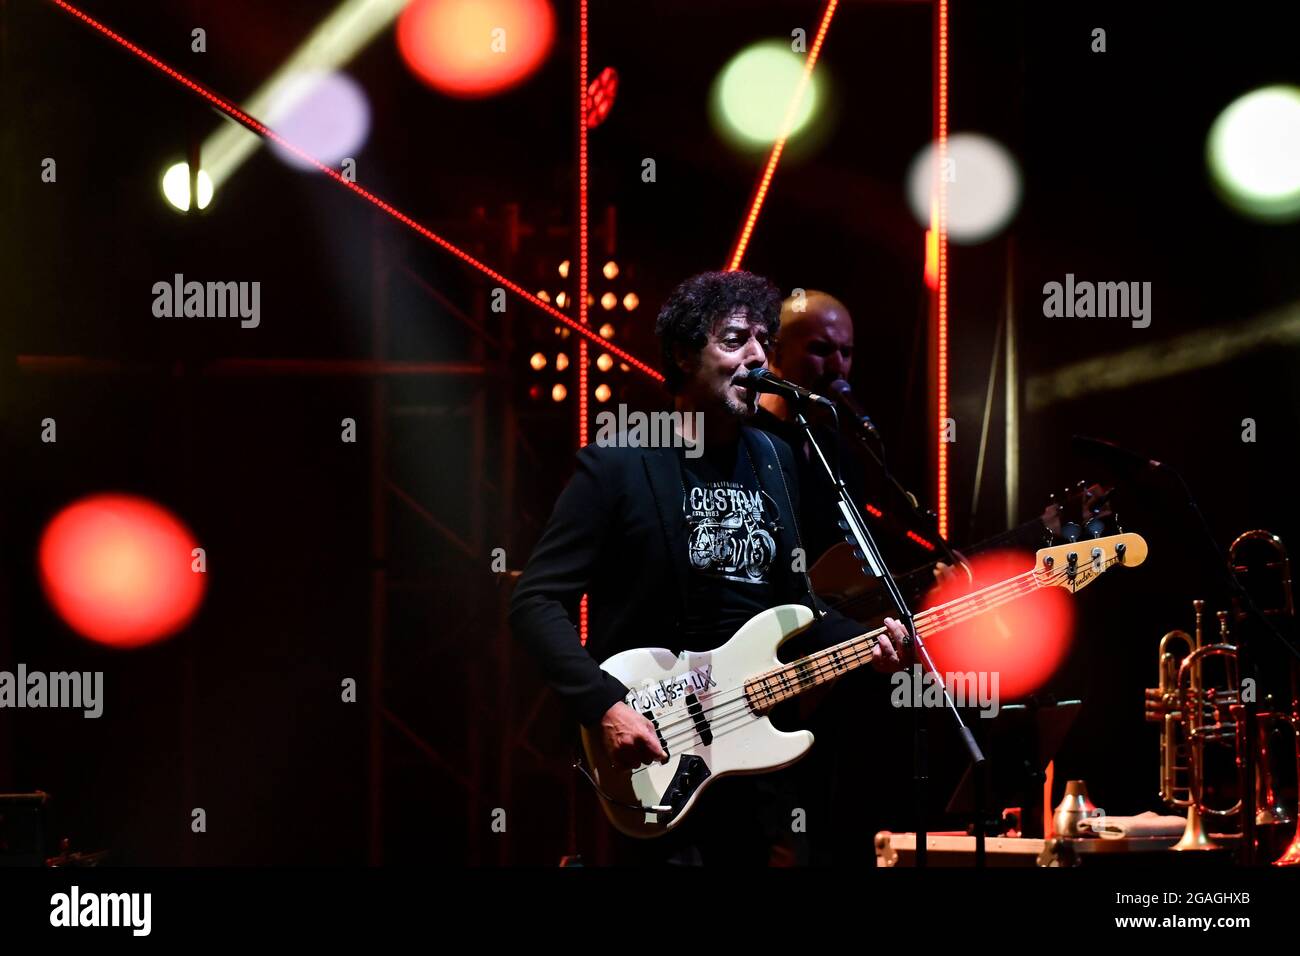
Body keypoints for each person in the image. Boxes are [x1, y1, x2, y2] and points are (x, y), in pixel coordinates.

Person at [509, 271, 910, 865]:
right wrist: (604, 705)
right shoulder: (618, 463)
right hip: (651, 750)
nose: (756, 356)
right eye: (734, 340)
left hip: (750, 769)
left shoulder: (776, 460)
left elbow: (796, 605)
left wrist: (870, 642)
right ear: (681, 353)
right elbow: (536, 602)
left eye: (765, 342)